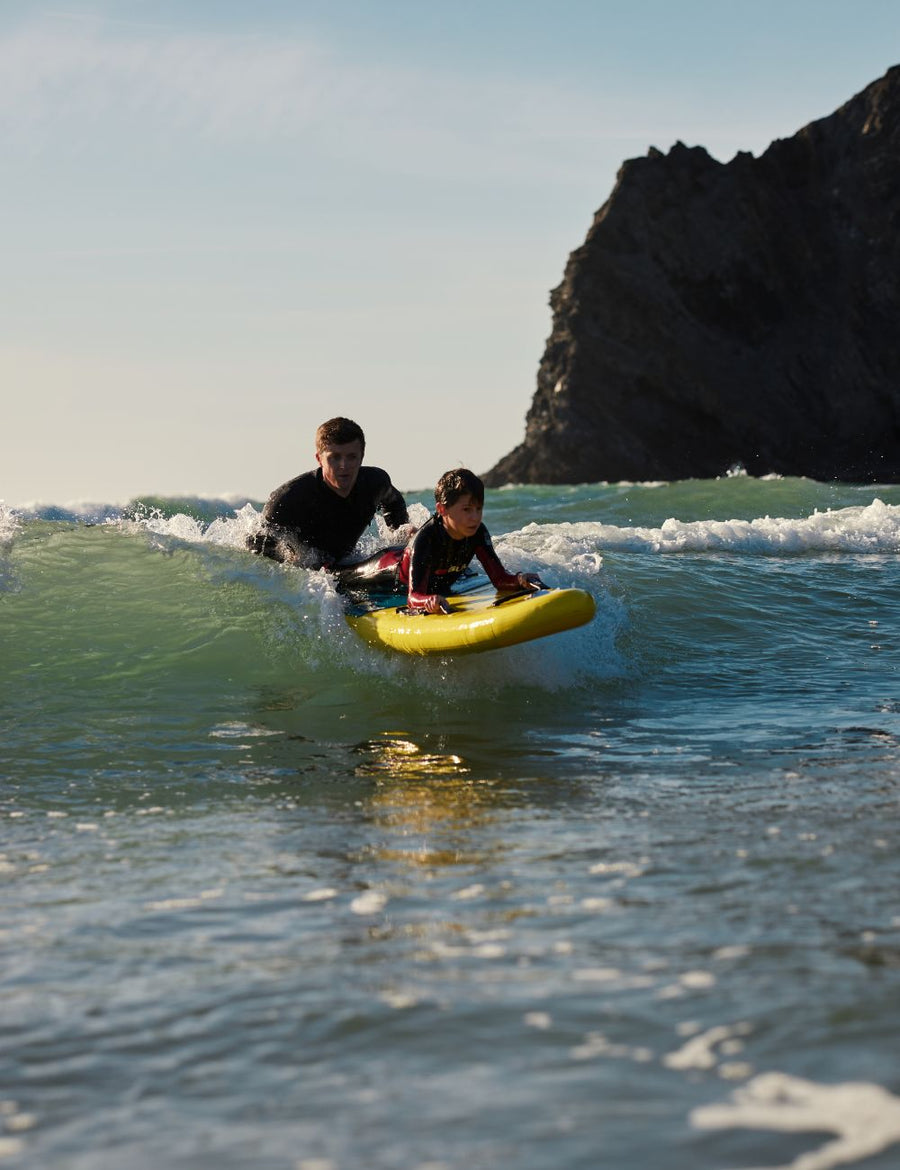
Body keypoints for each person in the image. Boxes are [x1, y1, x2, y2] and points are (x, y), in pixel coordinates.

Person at [248, 417, 411, 567]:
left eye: (352, 457)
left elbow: (393, 503)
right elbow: (256, 544)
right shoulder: (288, 499)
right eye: (335, 457)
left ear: (362, 456)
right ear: (319, 459)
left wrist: (401, 534)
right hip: (312, 578)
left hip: (349, 566)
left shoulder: (375, 482)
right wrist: (293, 565)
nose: (344, 465)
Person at [399, 468, 545, 614]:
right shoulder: (426, 539)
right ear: (442, 509)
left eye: (478, 509)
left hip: (440, 581)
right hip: (390, 583)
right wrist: (427, 601)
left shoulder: (478, 532)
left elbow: (500, 580)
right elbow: (413, 598)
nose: (475, 517)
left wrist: (520, 579)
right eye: (467, 509)